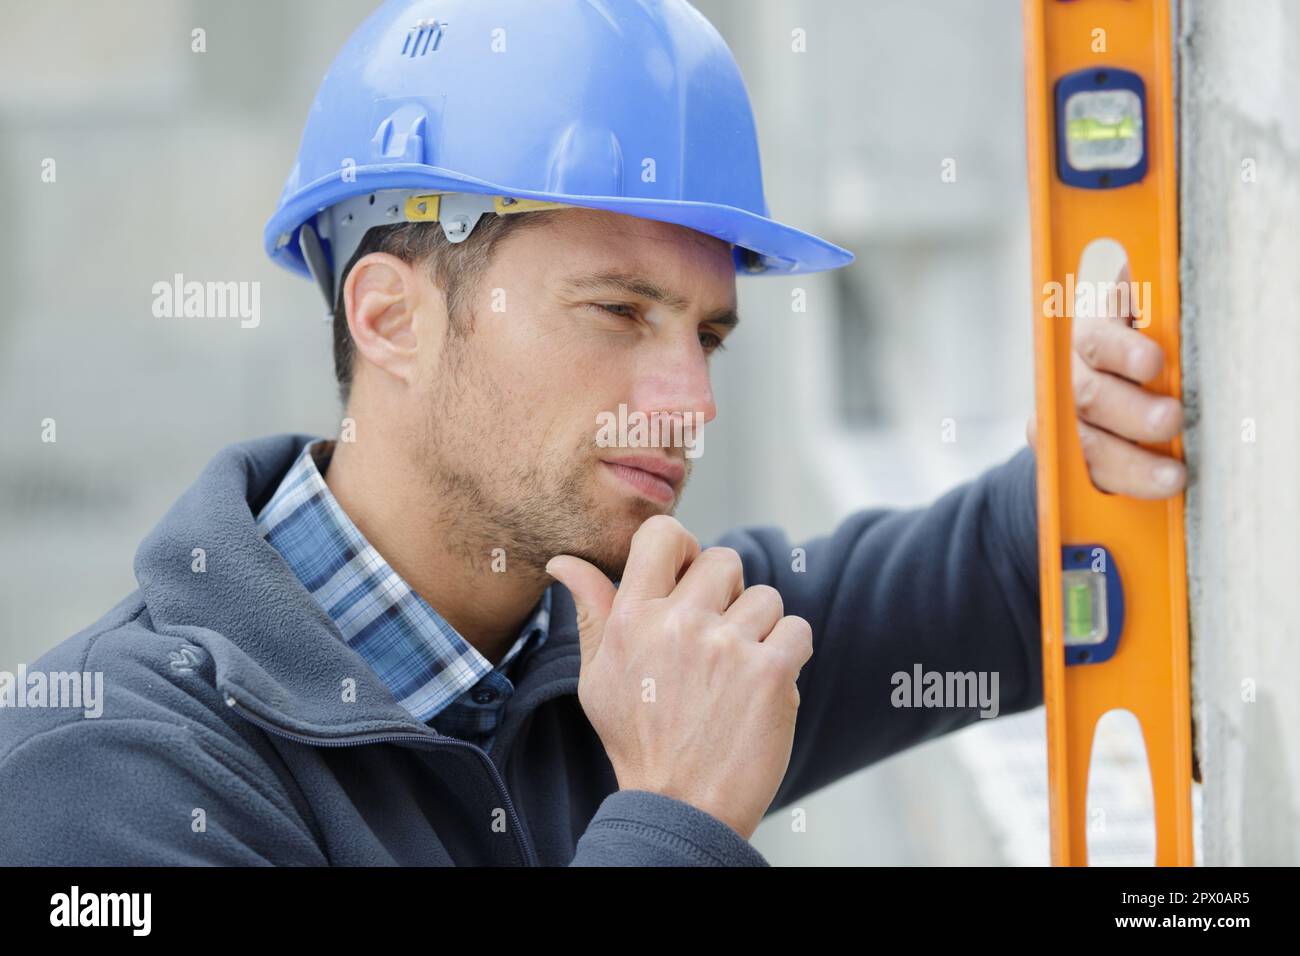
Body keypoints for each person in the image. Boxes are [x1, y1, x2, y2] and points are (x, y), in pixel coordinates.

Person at [0, 0, 1185, 866]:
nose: (688, 398)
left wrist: (1099, 429)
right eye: (617, 311)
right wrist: (670, 813)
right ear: (390, 315)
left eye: (708, 336)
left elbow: (997, 576)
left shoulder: (633, 636)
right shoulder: (105, 771)